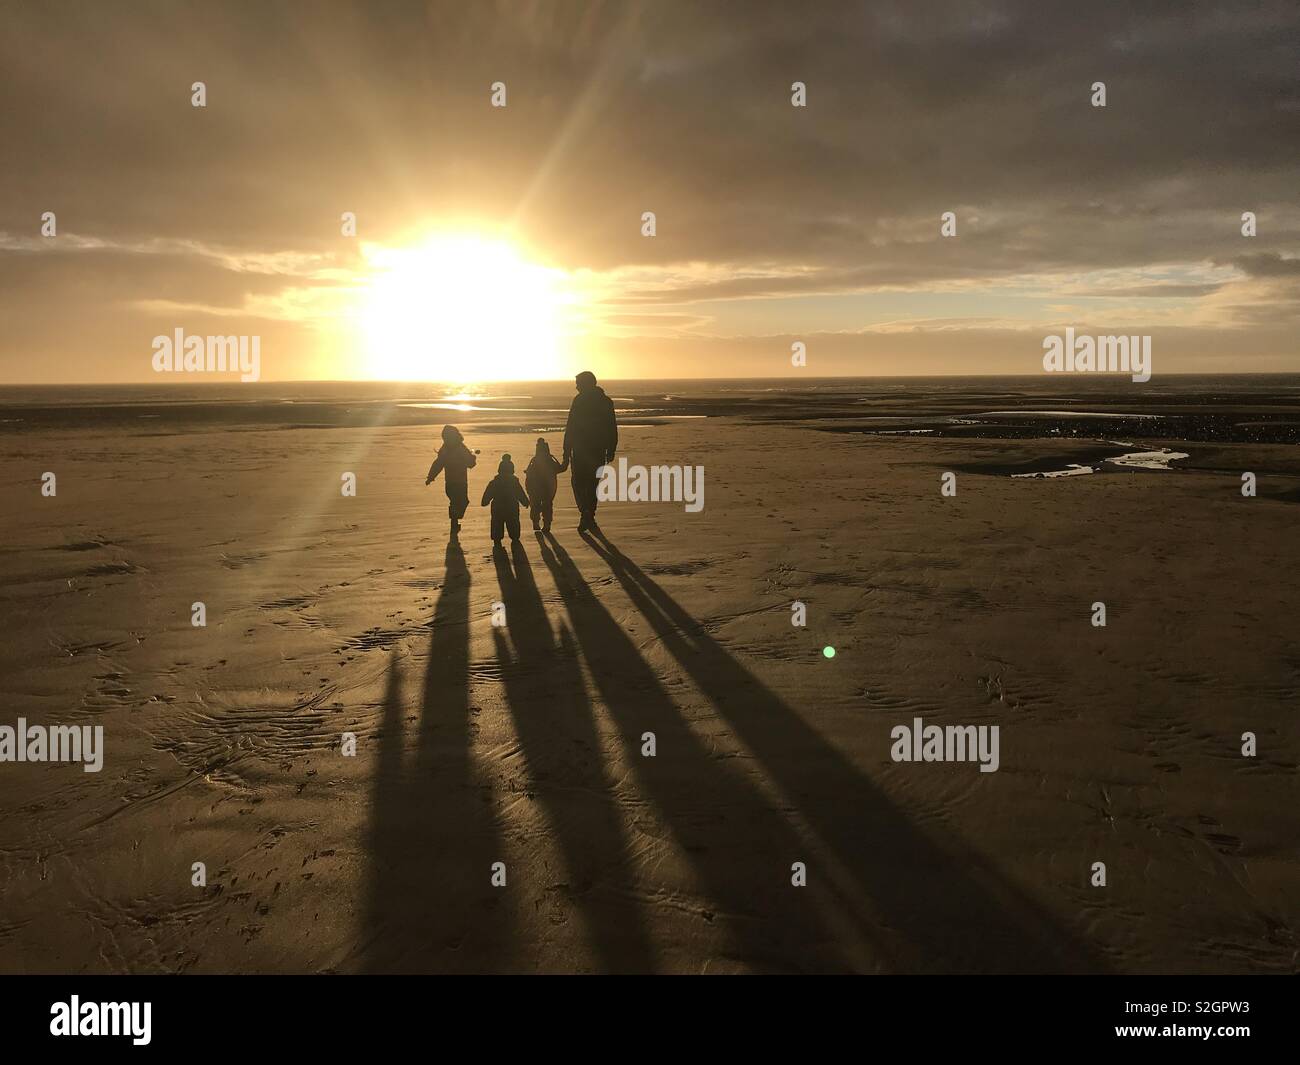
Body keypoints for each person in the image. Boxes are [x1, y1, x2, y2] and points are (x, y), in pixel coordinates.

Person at [562, 370, 618, 533]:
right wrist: (611, 447)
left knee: (579, 482)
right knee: (592, 484)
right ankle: (588, 514)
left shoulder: (580, 401)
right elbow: (612, 427)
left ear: (587, 383)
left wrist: (567, 451)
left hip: (582, 450)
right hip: (597, 450)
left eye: (578, 383)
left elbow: (571, 426)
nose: (576, 386)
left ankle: (586, 513)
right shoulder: (605, 401)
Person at [425, 424, 478, 541]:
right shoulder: (460, 448)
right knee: (463, 501)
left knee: (455, 503)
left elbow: (437, 464)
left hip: (449, 483)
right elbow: (471, 464)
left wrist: (430, 477)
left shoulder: (444, 450)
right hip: (460, 482)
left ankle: (454, 523)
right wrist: (473, 458)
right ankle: (454, 522)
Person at [480, 453, 530, 546]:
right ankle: (514, 537)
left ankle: (497, 539)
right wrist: (525, 502)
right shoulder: (514, 483)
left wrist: (485, 501)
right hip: (511, 506)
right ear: (512, 470)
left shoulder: (494, 482)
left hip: (497, 507)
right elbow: (520, 493)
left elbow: (487, 495)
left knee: (497, 524)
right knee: (513, 523)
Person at [524, 437, 565, 533]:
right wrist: (566, 461)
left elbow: (529, 474)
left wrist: (529, 488)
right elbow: (560, 468)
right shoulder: (550, 460)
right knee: (547, 505)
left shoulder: (534, 461)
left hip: (536, 488)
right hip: (548, 487)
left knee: (535, 505)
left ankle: (536, 522)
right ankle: (546, 524)